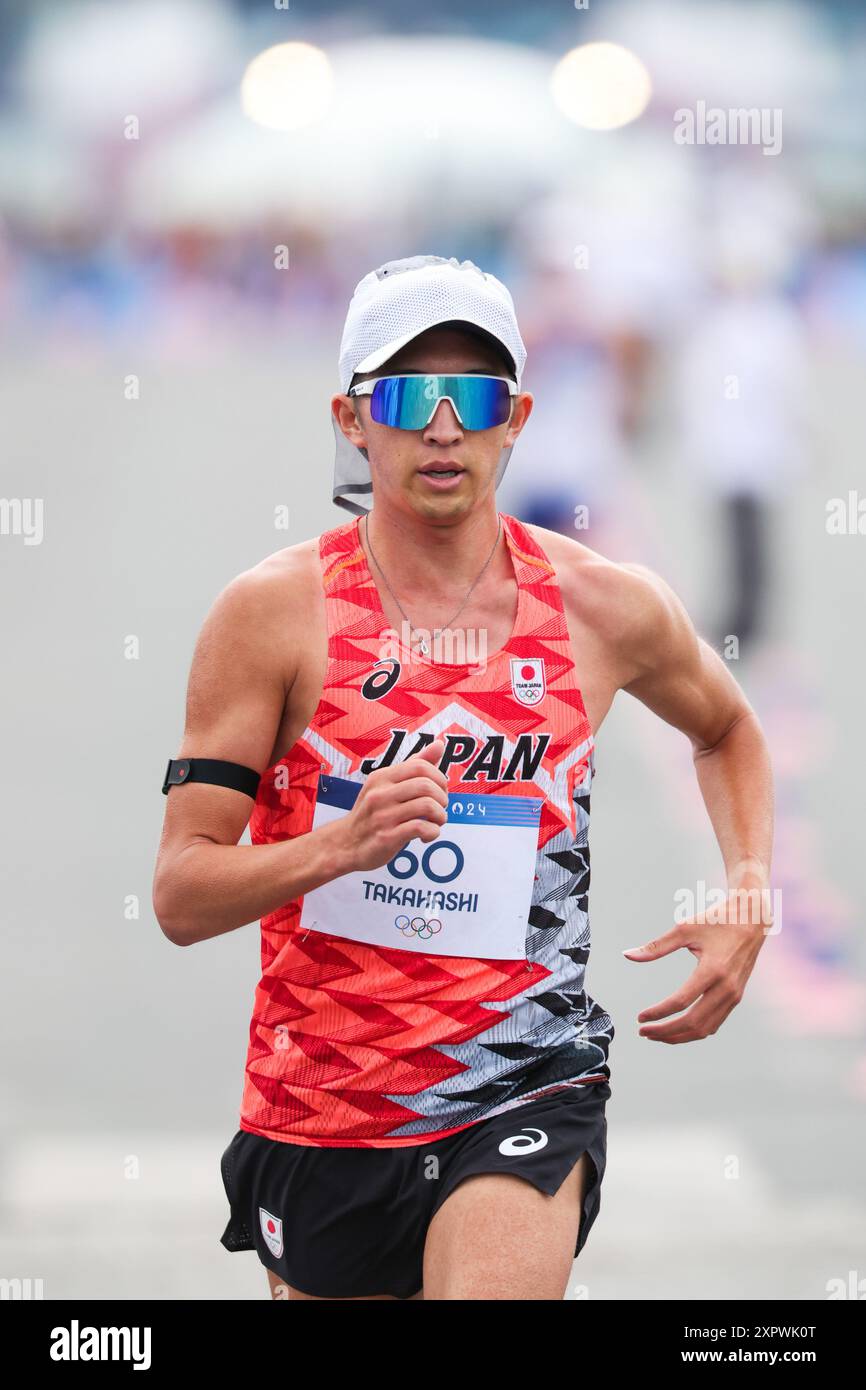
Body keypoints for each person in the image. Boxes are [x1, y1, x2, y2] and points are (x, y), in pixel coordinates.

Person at [152, 254, 774, 1301]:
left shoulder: (602, 605)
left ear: (515, 416)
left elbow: (725, 729)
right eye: (406, 396)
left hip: (523, 1079)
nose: (442, 426)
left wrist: (746, 882)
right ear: (353, 420)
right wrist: (333, 849)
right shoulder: (269, 616)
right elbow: (179, 892)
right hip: (328, 1103)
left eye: (473, 397)